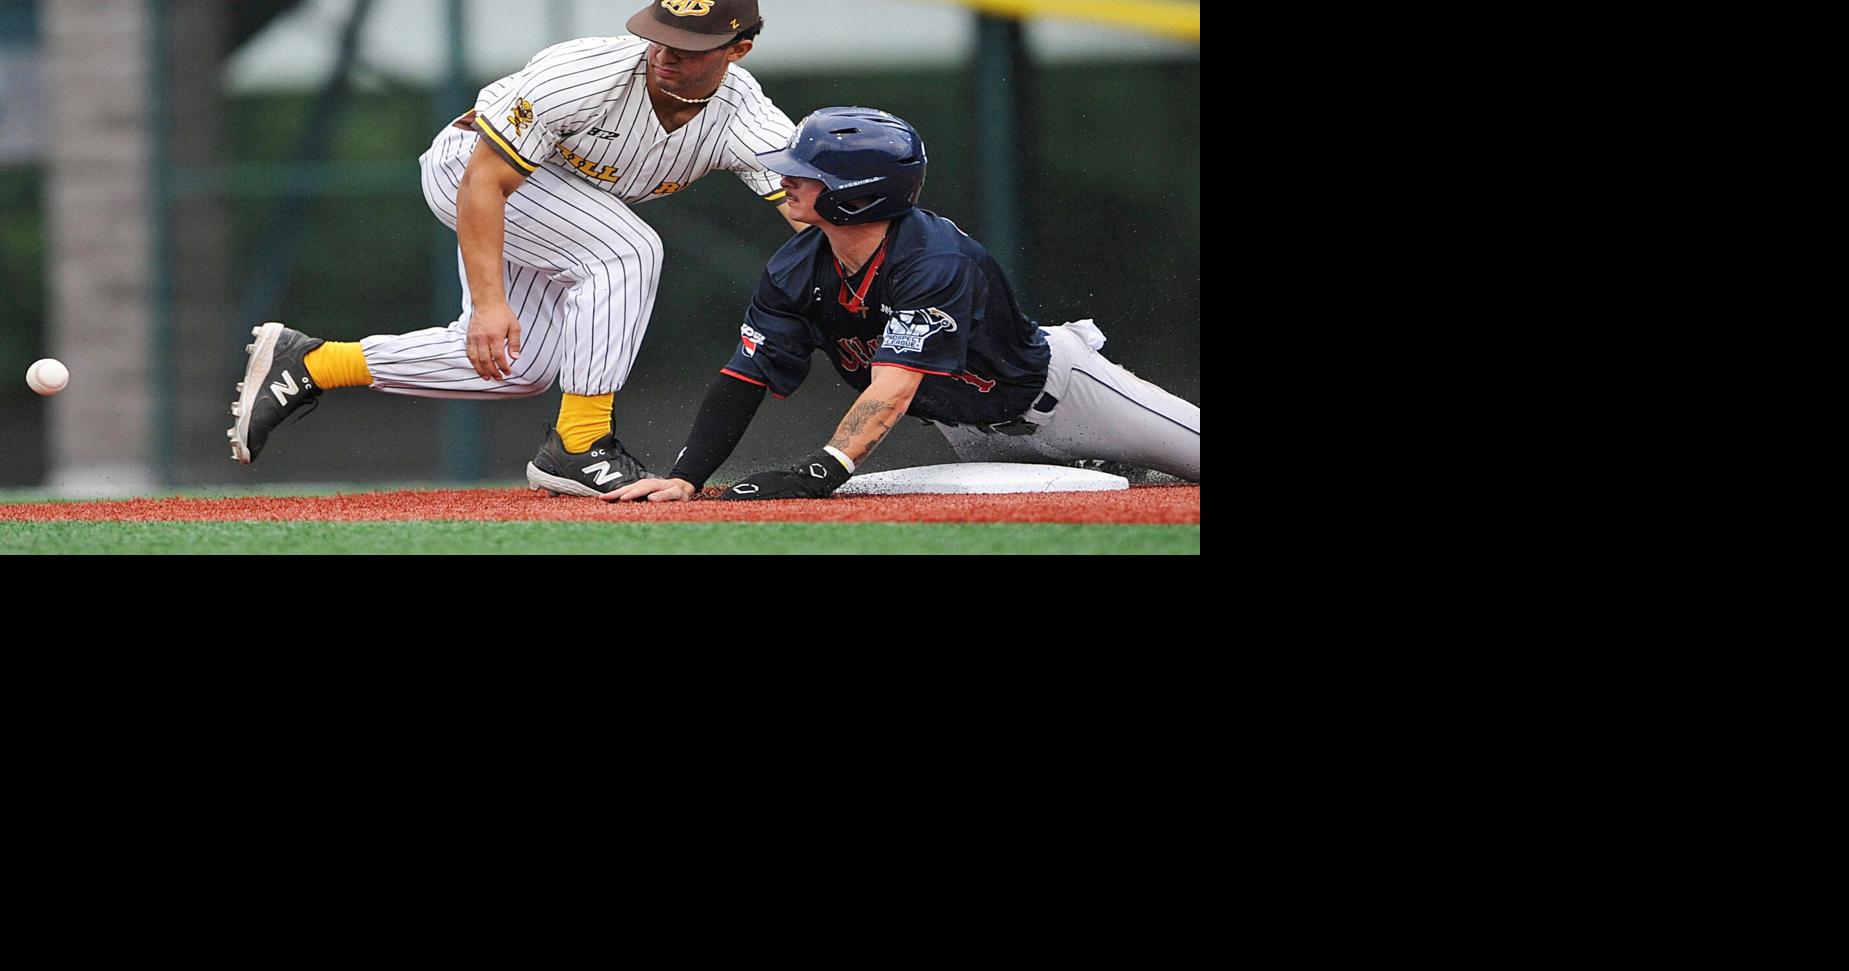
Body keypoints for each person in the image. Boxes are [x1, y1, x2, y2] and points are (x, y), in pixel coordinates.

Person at [227, 0, 802, 496]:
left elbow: (812, 208)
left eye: (689, 45)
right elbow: (485, 183)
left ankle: (312, 362)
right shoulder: (583, 74)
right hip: (472, 170)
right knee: (627, 250)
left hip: (557, 204)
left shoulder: (742, 116)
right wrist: (487, 302)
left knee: (517, 367)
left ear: (738, 50)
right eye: (660, 35)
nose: (666, 53)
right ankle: (580, 444)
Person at [609, 106, 1200, 503]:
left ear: (859, 193)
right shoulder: (794, 267)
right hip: (971, 430)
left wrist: (824, 468)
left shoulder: (934, 260)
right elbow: (744, 376)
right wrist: (687, 477)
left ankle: (1112, 457)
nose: (785, 181)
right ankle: (1105, 471)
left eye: (805, 174)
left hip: (1066, 397)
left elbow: (892, 388)